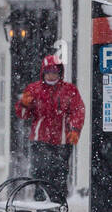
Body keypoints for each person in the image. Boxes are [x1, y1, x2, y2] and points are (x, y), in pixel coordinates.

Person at [15, 54, 85, 202]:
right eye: (49, 71)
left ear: (59, 72)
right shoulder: (34, 89)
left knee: (60, 172)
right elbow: (23, 115)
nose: (52, 75)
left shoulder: (69, 90)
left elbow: (77, 110)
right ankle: (40, 200)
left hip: (62, 140)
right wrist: (24, 104)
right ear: (44, 72)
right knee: (39, 171)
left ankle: (58, 201)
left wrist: (74, 129)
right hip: (40, 139)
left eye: (55, 71)